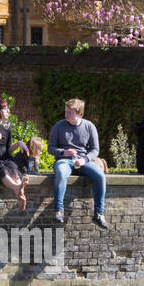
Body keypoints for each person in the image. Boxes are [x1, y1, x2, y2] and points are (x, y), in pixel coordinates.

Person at [47, 98, 107, 229]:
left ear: (80, 114)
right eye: (66, 111)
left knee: (100, 176)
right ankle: (58, 210)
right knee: (61, 173)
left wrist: (84, 159)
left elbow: (95, 150)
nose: (66, 114)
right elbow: (50, 148)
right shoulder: (58, 126)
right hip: (64, 160)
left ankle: (99, 213)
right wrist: (64, 152)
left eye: (70, 112)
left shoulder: (89, 126)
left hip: (83, 161)